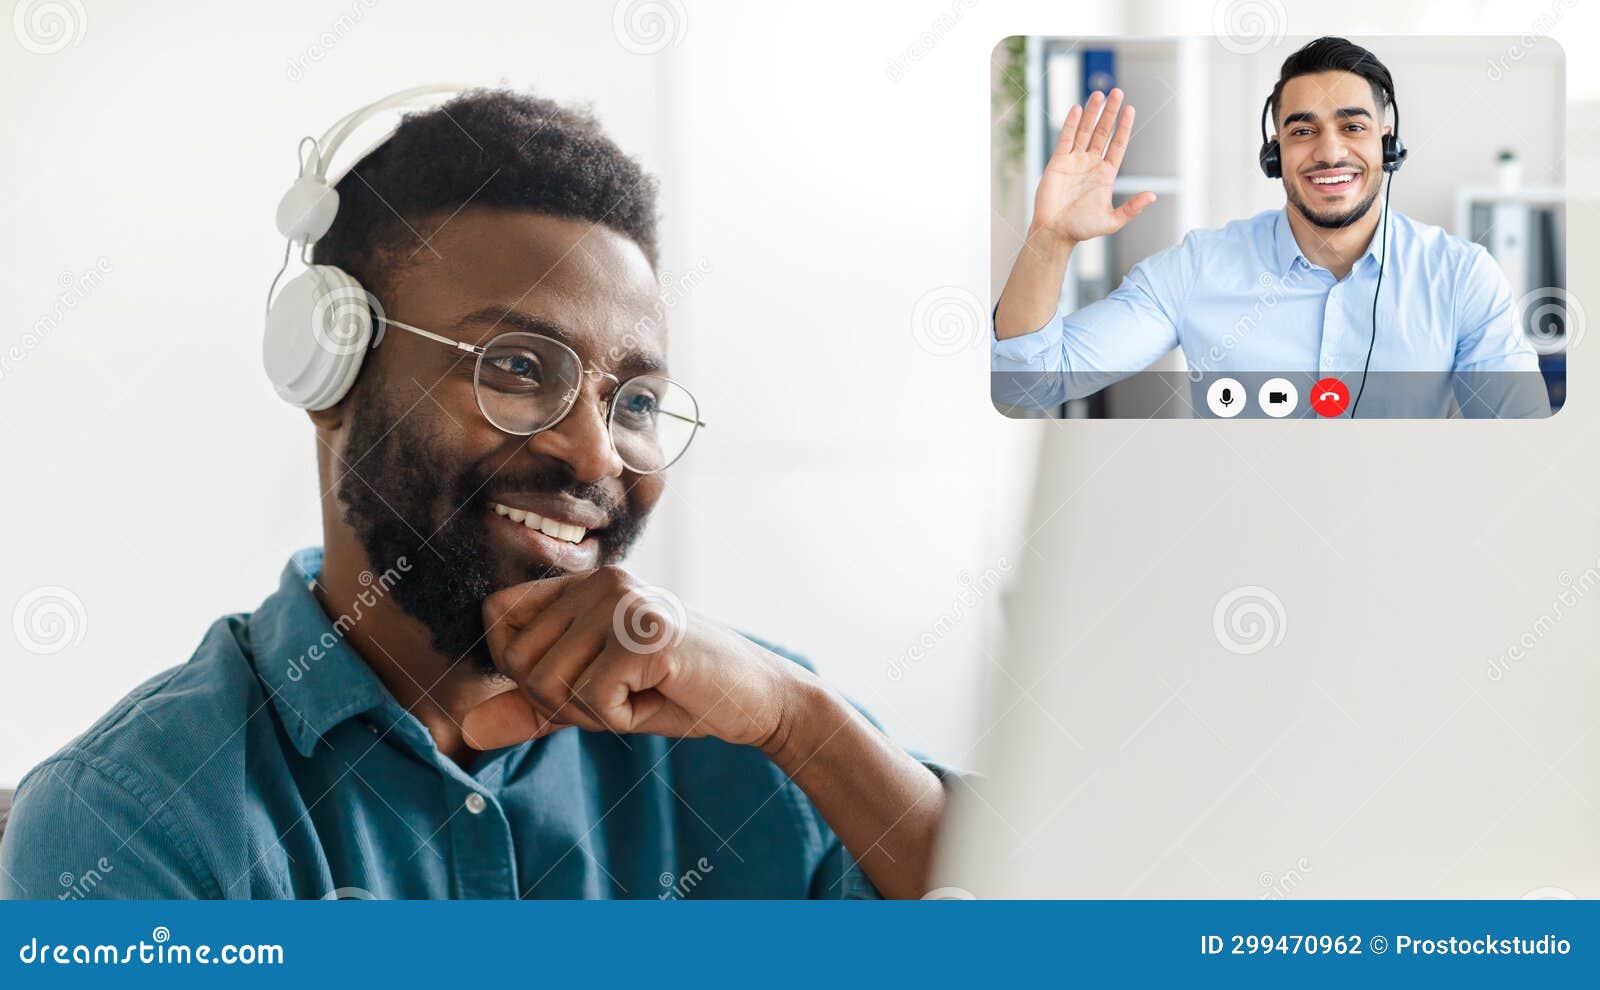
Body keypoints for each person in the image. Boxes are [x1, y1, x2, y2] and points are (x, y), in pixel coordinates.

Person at [0, 88, 952, 900]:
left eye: (637, 402)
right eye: (518, 367)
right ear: (333, 379)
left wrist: (803, 724)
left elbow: (1071, 925)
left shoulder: (752, 734)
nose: (593, 455)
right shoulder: (131, 814)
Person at [991, 36, 1549, 418]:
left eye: (1352, 126)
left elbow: (1520, 446)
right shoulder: (1196, 268)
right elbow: (1029, 382)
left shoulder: (1460, 276)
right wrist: (1051, 238)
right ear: (1274, 151)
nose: (1330, 153)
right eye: (1302, 131)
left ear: (1387, 144)